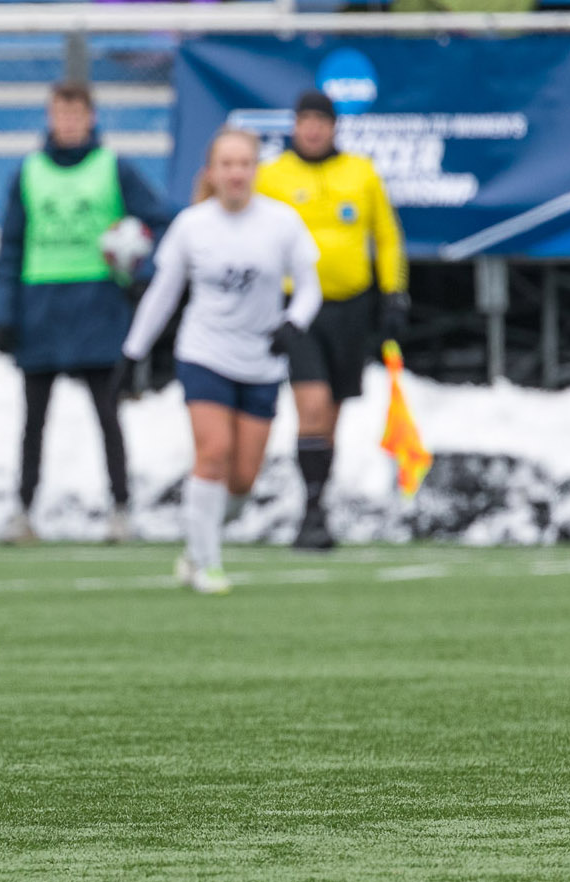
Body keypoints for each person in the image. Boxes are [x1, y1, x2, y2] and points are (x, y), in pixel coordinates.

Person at [114, 128, 321, 594]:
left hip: (262, 360)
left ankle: (196, 542)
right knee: (213, 453)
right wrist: (133, 352)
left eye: (243, 164)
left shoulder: (282, 222)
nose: (235, 173)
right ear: (211, 171)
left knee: (243, 480)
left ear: (255, 170)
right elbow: (164, 294)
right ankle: (208, 565)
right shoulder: (192, 225)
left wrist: (294, 323)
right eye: (226, 164)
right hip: (204, 353)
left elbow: (310, 287)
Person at [0, 80, 173, 544]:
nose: (67, 123)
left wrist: (138, 263)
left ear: (91, 117)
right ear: (50, 117)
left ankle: (121, 510)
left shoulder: (114, 168)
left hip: (97, 306)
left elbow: (161, 220)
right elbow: (10, 245)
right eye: (59, 114)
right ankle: (24, 512)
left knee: (108, 414)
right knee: (34, 420)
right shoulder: (28, 172)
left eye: (76, 114)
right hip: (41, 306)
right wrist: (2, 311)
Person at [255, 90, 408, 550]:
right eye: (305, 120)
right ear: (294, 125)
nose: (313, 129)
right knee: (313, 405)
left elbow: (385, 234)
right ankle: (310, 509)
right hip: (298, 308)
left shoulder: (360, 172)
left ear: (334, 126)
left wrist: (393, 292)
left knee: (334, 413)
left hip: (351, 306)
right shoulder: (272, 176)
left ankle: (318, 507)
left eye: (321, 120)